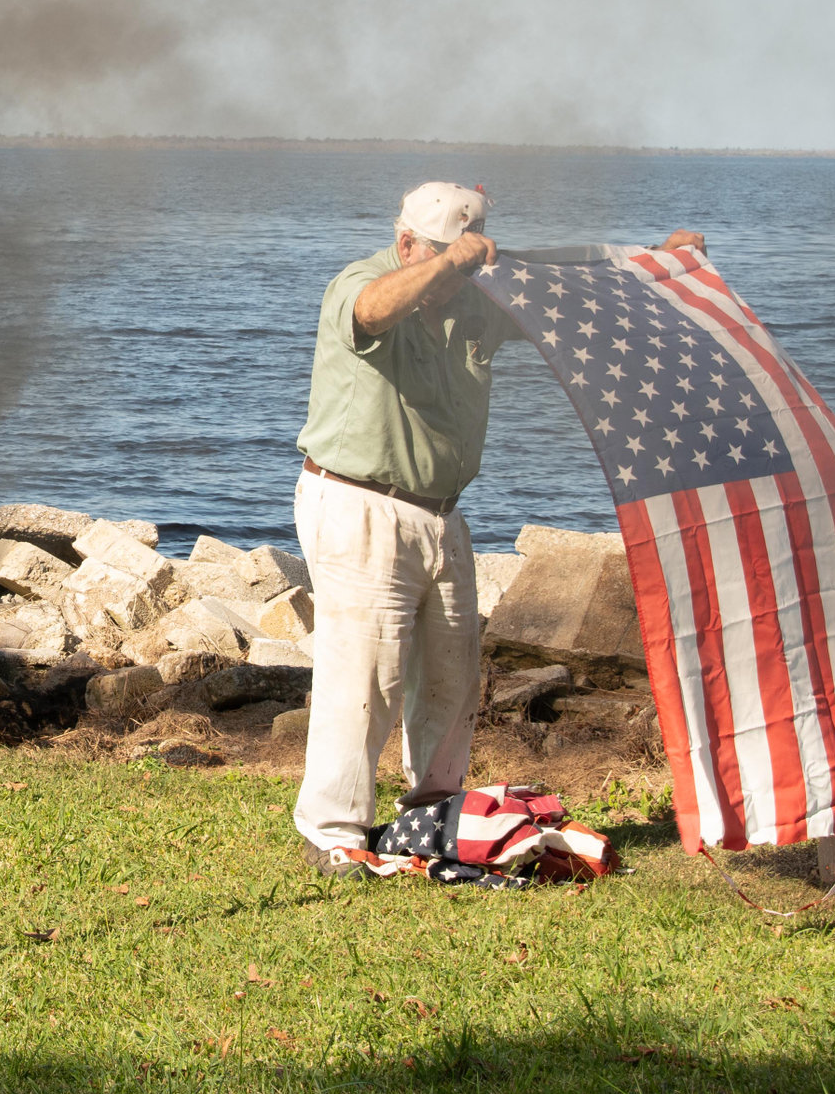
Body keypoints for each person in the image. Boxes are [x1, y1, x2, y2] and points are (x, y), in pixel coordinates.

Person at [290, 181, 704, 877]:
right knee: (366, 674)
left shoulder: (479, 294)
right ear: (405, 245)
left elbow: (566, 278)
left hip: (441, 510)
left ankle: (432, 810)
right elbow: (372, 310)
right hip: (359, 504)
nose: (454, 282)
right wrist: (449, 265)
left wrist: (653, 261)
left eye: (465, 265)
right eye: (440, 261)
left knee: (452, 674)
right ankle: (332, 830)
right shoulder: (362, 284)